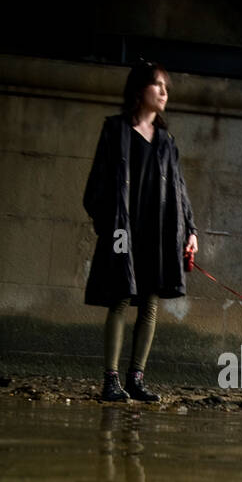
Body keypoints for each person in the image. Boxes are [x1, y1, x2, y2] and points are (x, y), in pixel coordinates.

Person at [82, 60, 198, 402]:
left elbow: (179, 188)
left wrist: (190, 229)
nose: (164, 92)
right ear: (139, 89)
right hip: (123, 232)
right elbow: (96, 186)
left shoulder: (166, 141)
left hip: (158, 233)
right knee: (119, 299)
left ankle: (136, 379)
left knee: (149, 304)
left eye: (166, 87)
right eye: (157, 85)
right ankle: (111, 381)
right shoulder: (114, 130)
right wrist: (109, 225)